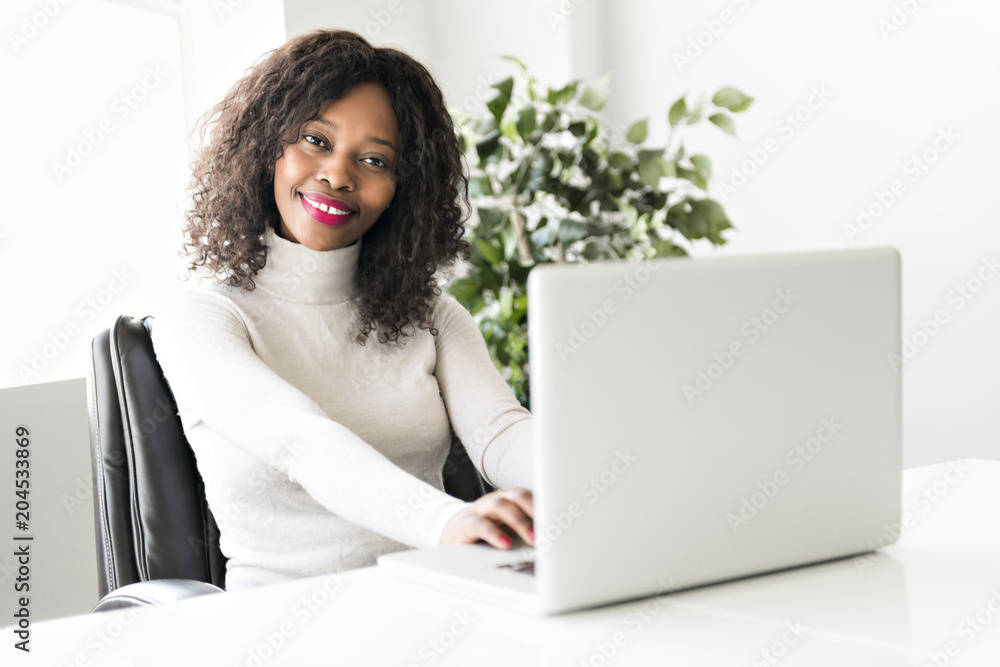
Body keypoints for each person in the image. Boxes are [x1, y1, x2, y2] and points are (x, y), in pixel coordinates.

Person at [151, 30, 535, 591]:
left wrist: (590, 483)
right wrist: (445, 519)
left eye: (375, 159)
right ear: (266, 148)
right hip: (281, 626)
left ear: (402, 188)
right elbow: (303, 441)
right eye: (315, 140)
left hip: (437, 603)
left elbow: (501, 432)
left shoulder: (432, 314)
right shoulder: (204, 318)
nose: (338, 174)